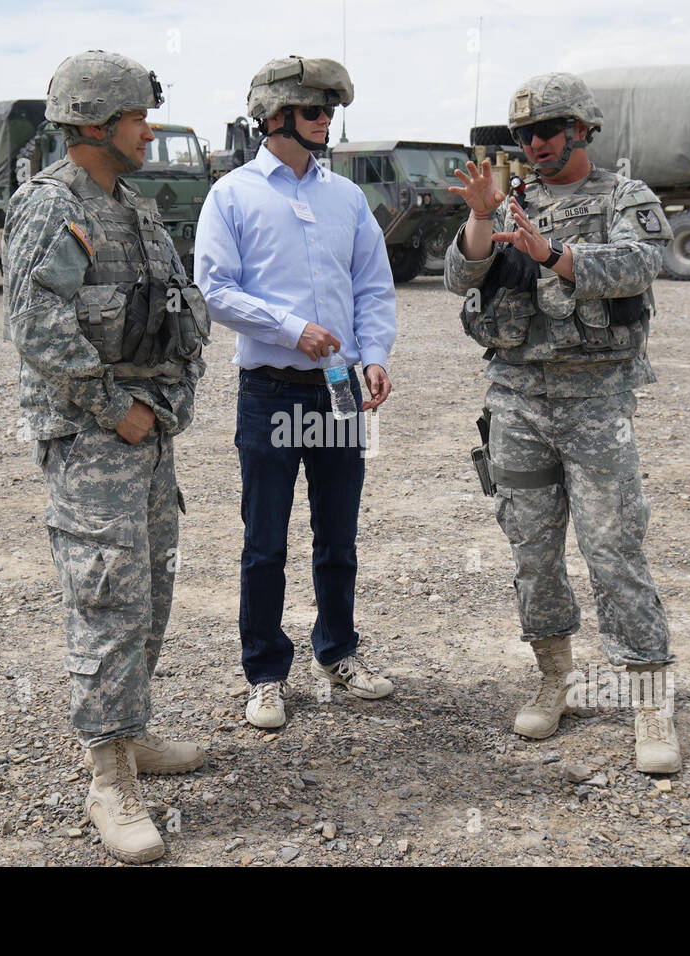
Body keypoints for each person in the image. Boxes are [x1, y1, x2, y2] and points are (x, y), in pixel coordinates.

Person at [2, 50, 210, 863]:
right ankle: (108, 778)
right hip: (97, 440)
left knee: (150, 589)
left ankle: (134, 732)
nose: (148, 130)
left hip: (146, 434)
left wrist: (162, 405)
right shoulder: (52, 207)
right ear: (95, 124)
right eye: (137, 118)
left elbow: (176, 309)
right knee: (106, 599)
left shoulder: (135, 207)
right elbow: (38, 329)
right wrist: (114, 409)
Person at [445, 73, 681, 774]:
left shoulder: (621, 197)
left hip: (596, 400)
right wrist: (484, 219)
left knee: (614, 551)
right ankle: (556, 676)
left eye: (547, 130)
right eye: (524, 135)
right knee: (532, 551)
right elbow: (462, 276)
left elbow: (640, 263)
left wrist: (552, 253)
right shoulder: (509, 202)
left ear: (582, 129)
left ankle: (649, 697)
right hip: (517, 398)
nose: (535, 144)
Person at [194, 55, 397, 730]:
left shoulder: (345, 198)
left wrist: (373, 355)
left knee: (338, 538)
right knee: (265, 541)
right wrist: (289, 328)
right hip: (271, 392)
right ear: (275, 117)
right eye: (315, 111)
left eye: (331, 111)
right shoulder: (233, 196)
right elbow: (215, 290)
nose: (326, 121)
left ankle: (337, 652)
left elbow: (372, 284)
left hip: (339, 393)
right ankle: (265, 673)